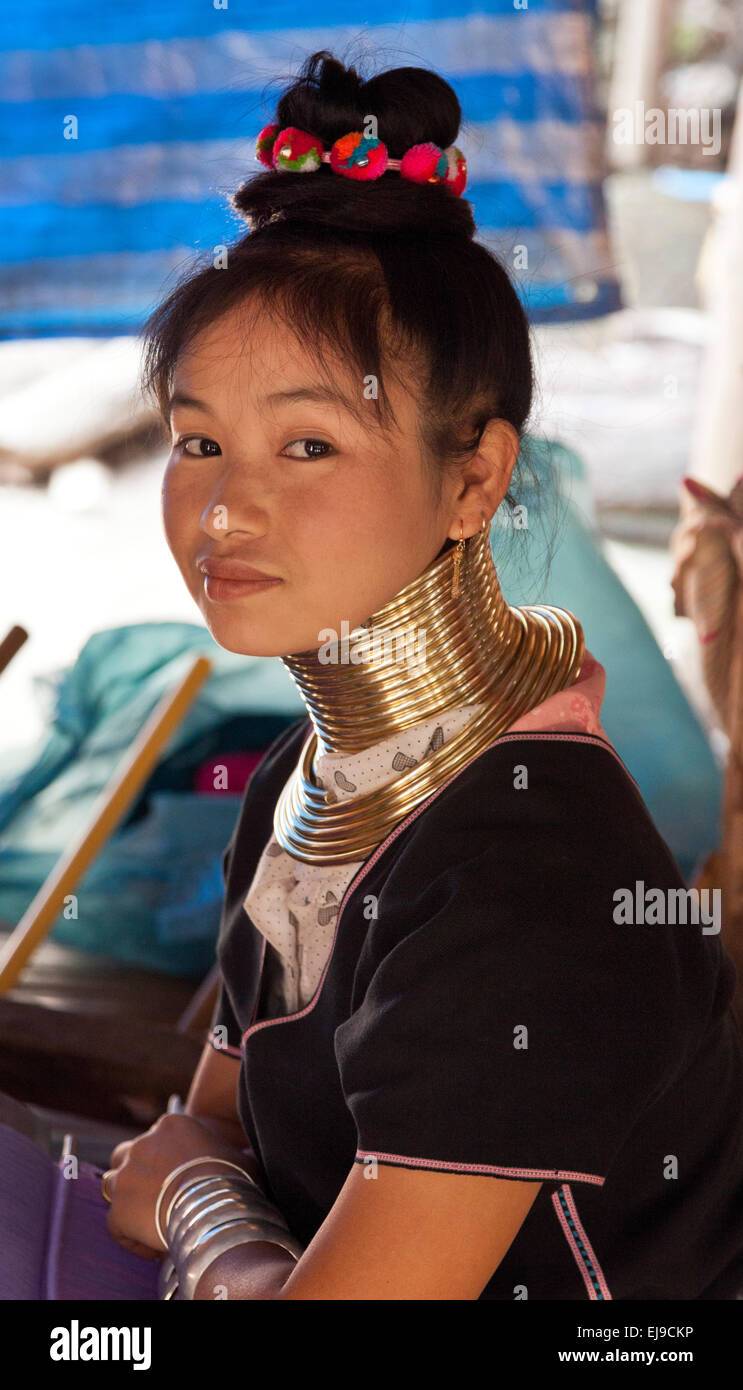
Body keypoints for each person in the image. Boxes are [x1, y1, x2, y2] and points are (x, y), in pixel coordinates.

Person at [6, 49, 743, 1301]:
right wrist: (197, 1175)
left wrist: (188, 1192)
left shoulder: (525, 872)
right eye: (198, 440)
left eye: (308, 442)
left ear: (472, 478)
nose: (226, 508)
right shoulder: (303, 787)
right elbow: (218, 1124)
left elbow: (193, 1164)